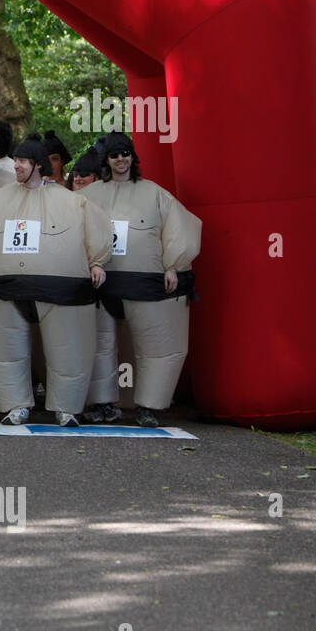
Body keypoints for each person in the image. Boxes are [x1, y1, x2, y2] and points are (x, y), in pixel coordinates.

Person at [0, 137, 113, 426]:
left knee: (68, 347)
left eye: (22, 161)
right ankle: (15, 404)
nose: (16, 165)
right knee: (3, 348)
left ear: (37, 165)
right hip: (5, 285)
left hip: (60, 287)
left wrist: (97, 261)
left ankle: (66, 406)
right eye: (16, 160)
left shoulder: (74, 201)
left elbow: (97, 228)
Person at [81, 133, 201, 426]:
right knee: (99, 345)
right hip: (100, 282)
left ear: (133, 157)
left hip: (146, 282)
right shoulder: (88, 196)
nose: (120, 159)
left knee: (154, 345)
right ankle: (103, 403)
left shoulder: (156, 194)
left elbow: (179, 228)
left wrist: (173, 265)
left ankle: (148, 407)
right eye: (114, 155)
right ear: (106, 161)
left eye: (125, 153)